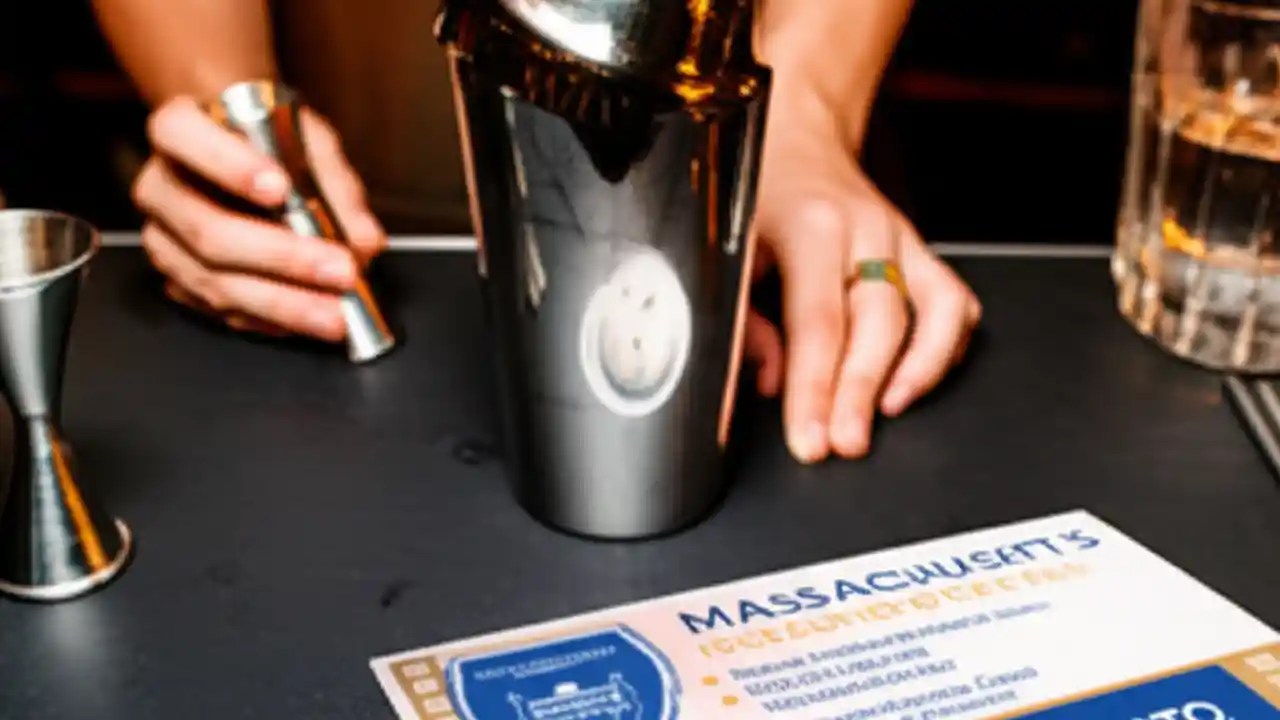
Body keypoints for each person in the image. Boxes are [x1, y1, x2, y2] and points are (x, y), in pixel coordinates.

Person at [91, 0, 981, 465]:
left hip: (719, 153)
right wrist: (225, 109)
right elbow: (221, 96)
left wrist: (806, 109)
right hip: (354, 210)